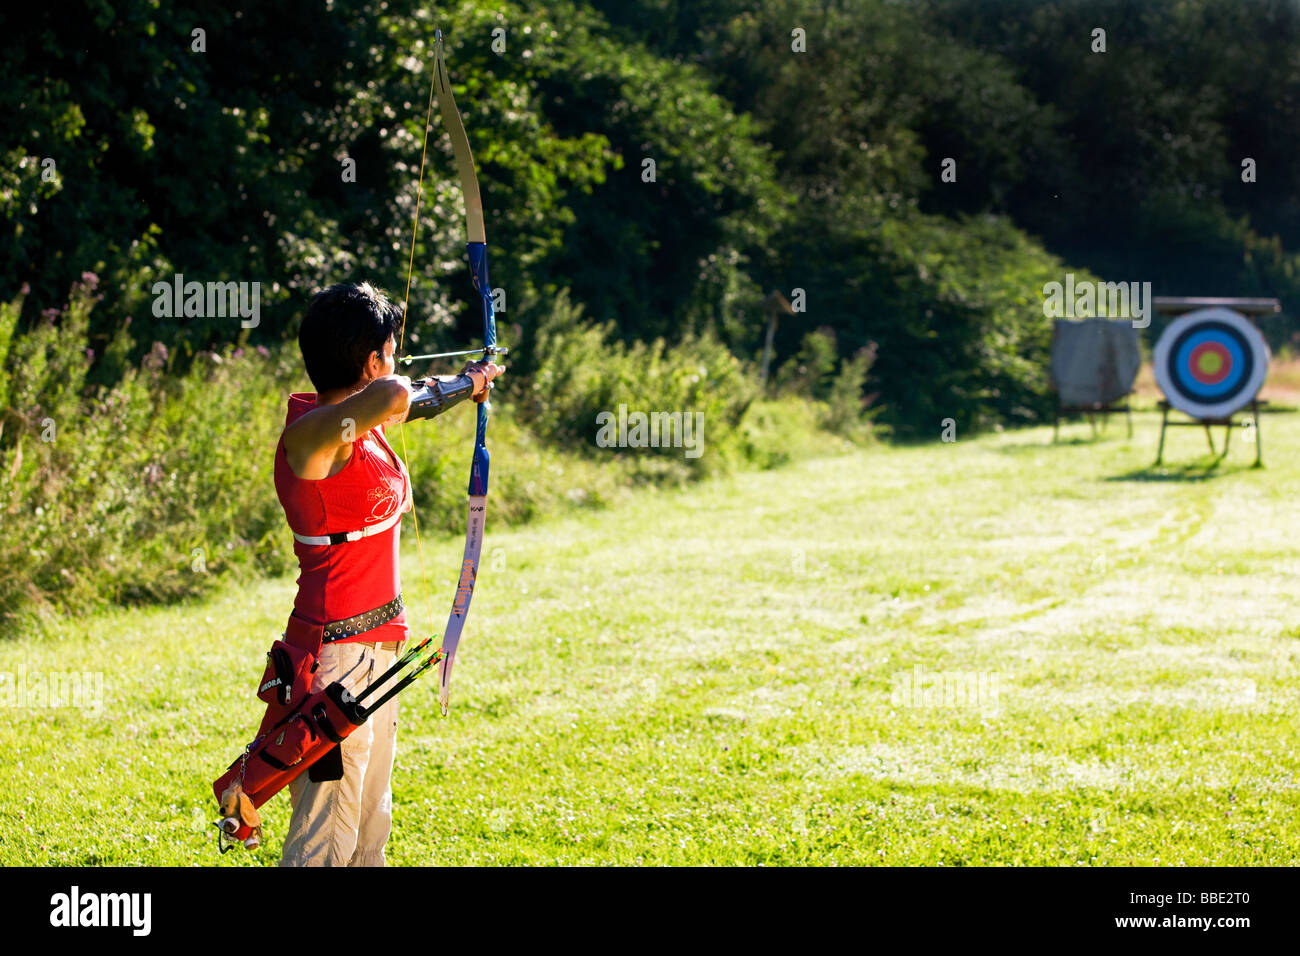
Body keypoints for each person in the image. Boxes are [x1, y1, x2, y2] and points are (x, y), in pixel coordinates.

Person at [274, 281, 502, 866]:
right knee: (325, 833)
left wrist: (469, 383)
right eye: (390, 351)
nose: (397, 364)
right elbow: (395, 396)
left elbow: (410, 399)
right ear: (373, 361)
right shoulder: (312, 438)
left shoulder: (362, 426)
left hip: (380, 652)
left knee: (371, 825)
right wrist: (394, 385)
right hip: (331, 663)